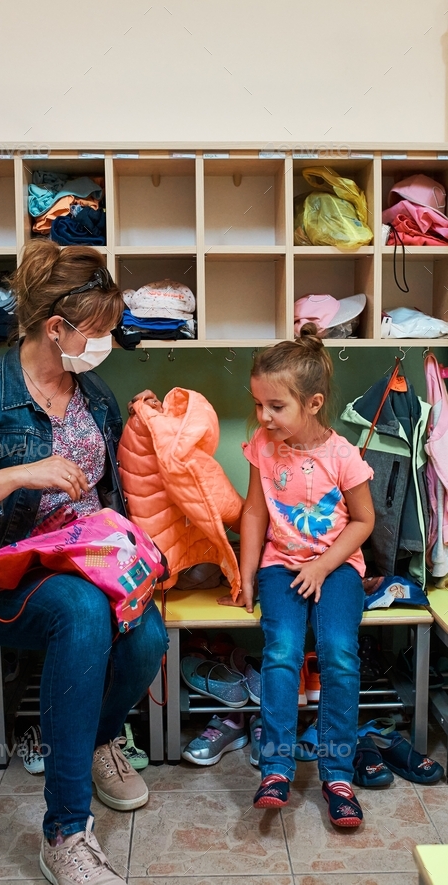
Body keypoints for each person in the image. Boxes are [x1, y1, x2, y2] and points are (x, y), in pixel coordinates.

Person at [0, 239, 168, 885]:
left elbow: (108, 495)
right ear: (57, 327)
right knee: (81, 614)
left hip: (88, 565)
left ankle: (97, 739)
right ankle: (66, 833)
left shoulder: (93, 392)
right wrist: (17, 474)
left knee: (148, 634)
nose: (107, 341)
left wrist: (140, 548)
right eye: (99, 330)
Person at [221, 324, 375, 828]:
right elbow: (253, 514)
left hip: (336, 568)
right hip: (280, 566)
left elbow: (363, 521)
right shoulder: (263, 450)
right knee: (283, 650)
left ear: (312, 403)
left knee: (338, 653)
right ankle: (277, 767)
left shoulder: (343, 456)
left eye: (275, 407)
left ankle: (337, 773)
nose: (263, 418)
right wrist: (244, 576)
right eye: (259, 405)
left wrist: (324, 565)